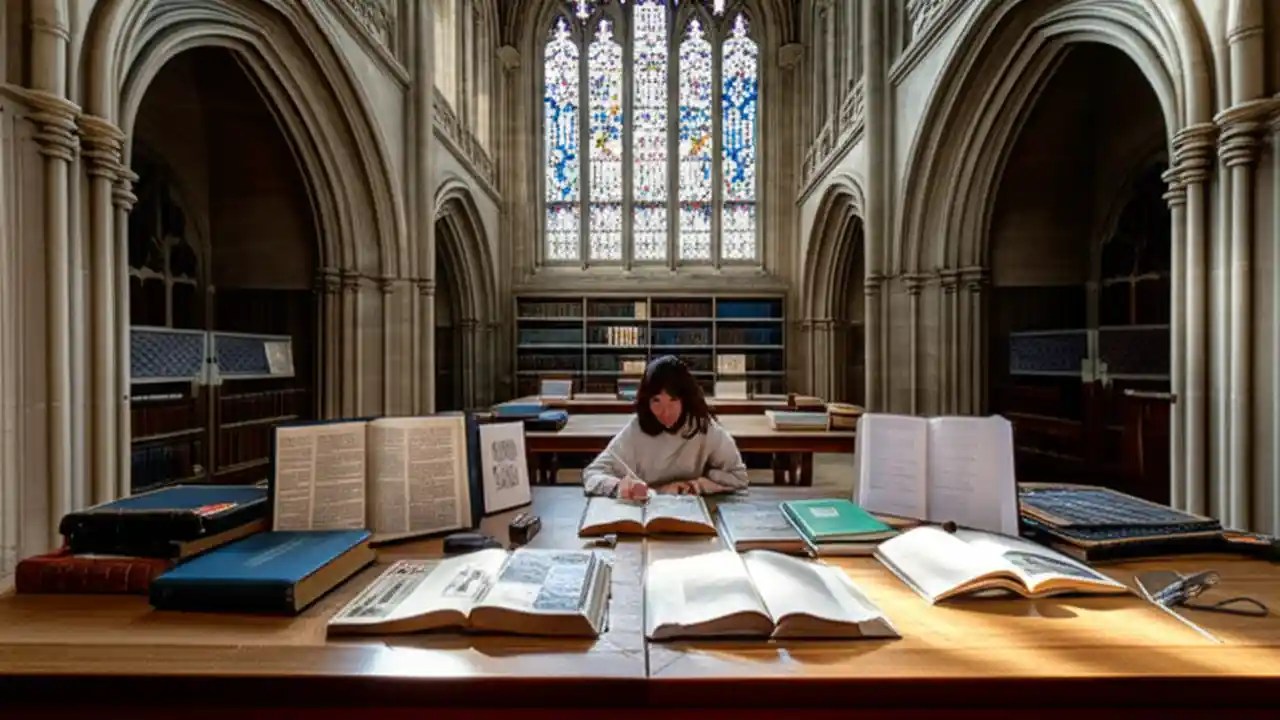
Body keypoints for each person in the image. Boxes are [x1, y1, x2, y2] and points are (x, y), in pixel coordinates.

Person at [582, 355, 749, 499]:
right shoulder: (637, 429)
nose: (665, 412)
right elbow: (592, 473)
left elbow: (739, 478)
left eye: (673, 400)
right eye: (656, 401)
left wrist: (698, 483)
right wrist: (619, 487)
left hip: (690, 511)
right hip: (644, 510)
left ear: (685, 399)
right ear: (646, 401)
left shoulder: (702, 427)